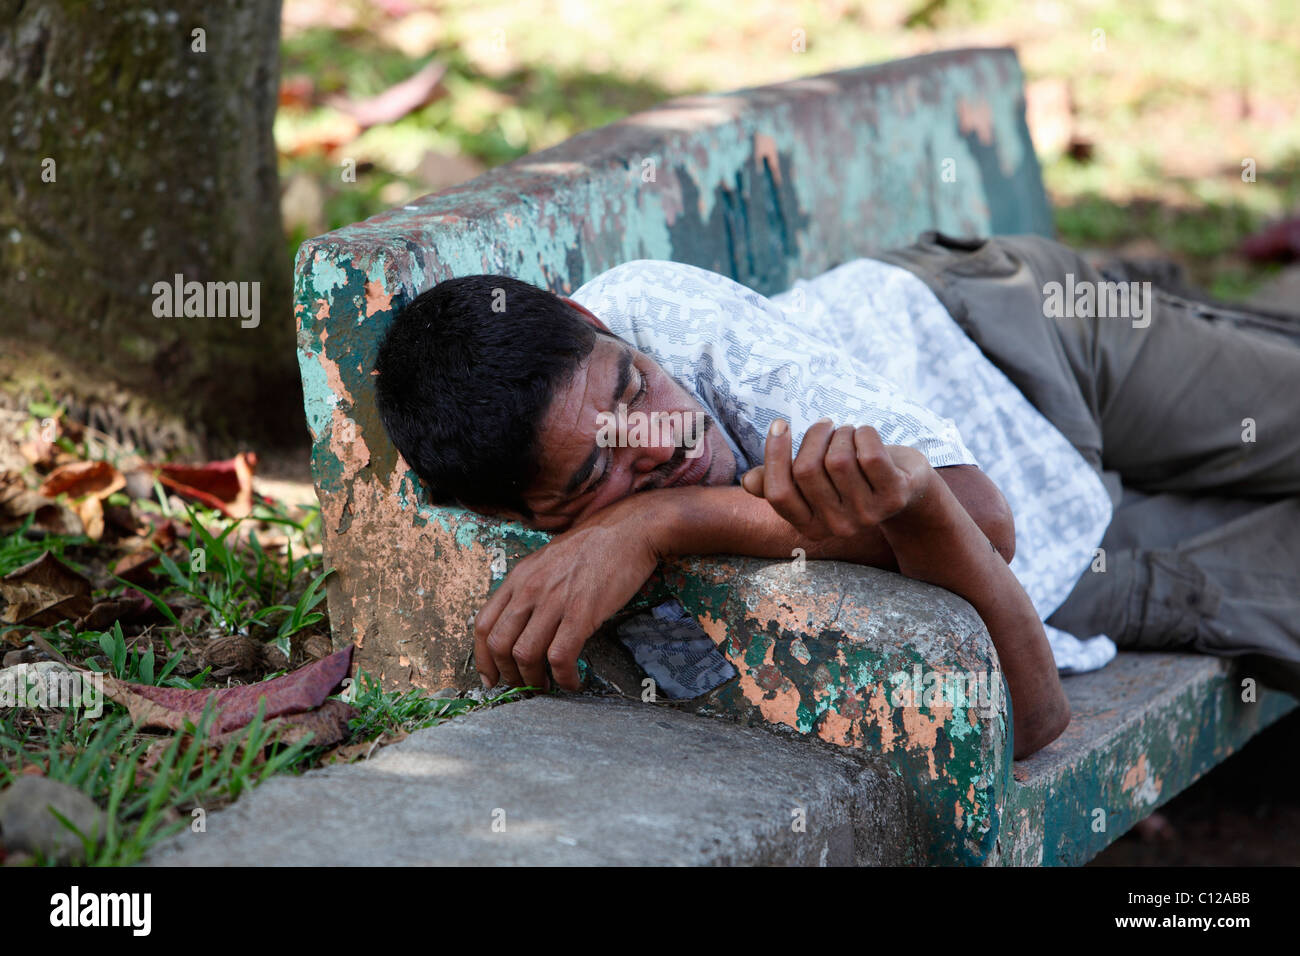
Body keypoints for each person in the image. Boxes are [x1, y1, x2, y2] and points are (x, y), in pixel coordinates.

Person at [372, 232, 1300, 759]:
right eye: (595, 477)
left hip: (1003, 340)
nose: (658, 444)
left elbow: (977, 509)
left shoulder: (660, 308)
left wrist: (665, 517)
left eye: (630, 392)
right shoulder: (607, 599)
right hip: (1062, 564)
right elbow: (1009, 660)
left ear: (587, 319)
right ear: (512, 520)